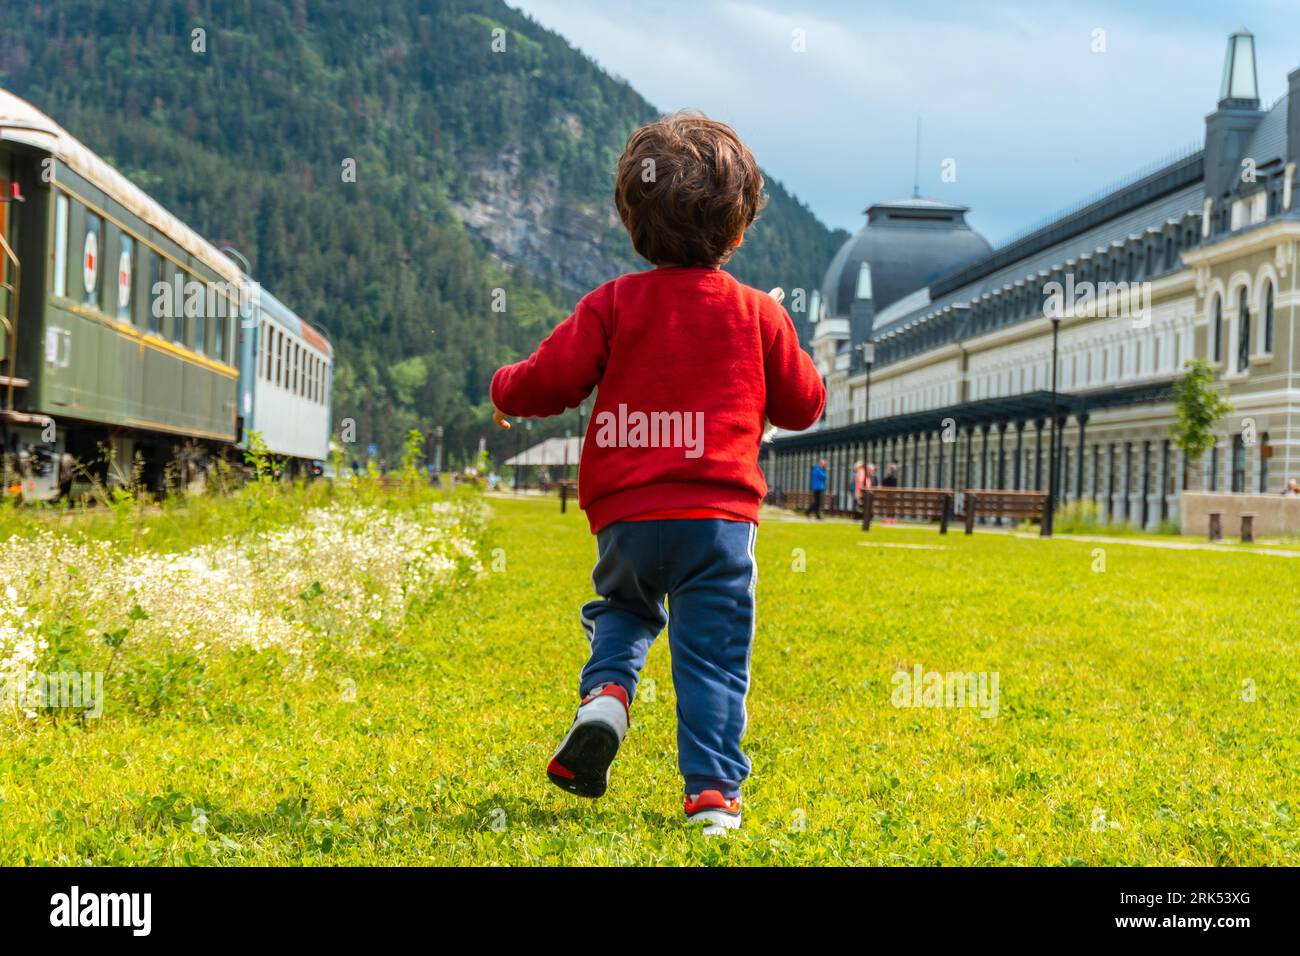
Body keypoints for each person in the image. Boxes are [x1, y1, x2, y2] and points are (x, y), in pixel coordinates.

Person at [488, 112, 825, 835]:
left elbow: (550, 381)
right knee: (711, 659)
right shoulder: (759, 313)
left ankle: (606, 698)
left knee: (625, 609)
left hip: (629, 517)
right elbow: (804, 406)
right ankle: (711, 797)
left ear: (633, 224)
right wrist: (778, 343)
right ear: (738, 230)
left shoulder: (612, 305)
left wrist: (503, 390)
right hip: (719, 524)